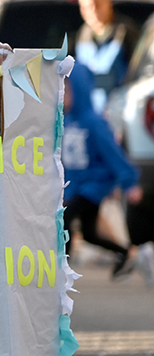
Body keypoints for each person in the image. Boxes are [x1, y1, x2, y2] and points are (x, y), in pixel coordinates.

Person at [63, 61, 143, 277]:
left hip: (94, 186)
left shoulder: (94, 122)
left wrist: (129, 183)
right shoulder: (66, 120)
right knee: (89, 233)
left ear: (79, 88)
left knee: (65, 219)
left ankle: (62, 271)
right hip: (77, 186)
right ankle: (125, 252)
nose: (62, 94)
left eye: (67, 89)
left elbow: (114, 154)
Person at [75, 0, 141, 113]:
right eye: (86, 6)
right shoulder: (82, 36)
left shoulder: (125, 32)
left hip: (121, 112)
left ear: (108, 1)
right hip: (91, 114)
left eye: (96, 3)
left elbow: (138, 75)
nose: (92, 9)